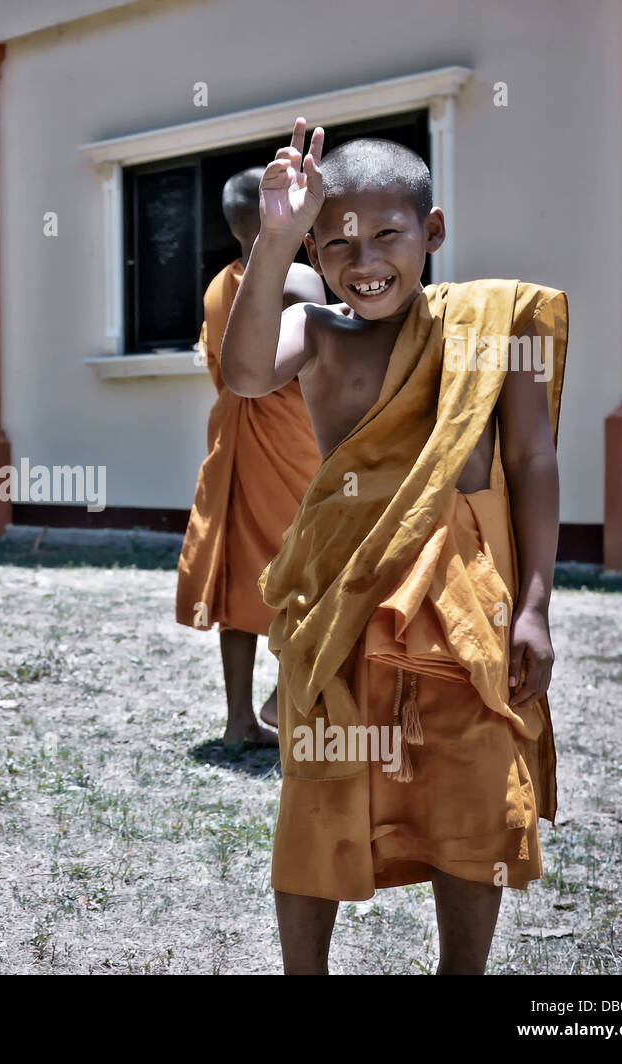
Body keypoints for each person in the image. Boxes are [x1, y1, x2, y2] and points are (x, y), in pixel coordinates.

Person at [220, 118, 567, 975]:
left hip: (463, 610)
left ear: (433, 233)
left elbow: (530, 459)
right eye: (334, 243)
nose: (362, 260)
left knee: (472, 787)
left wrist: (535, 608)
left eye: (387, 235)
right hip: (345, 607)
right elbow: (244, 372)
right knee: (322, 793)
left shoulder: (493, 327)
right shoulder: (321, 335)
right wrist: (275, 237)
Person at [176, 166, 325, 748]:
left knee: (242, 583)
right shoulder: (303, 280)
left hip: (236, 445)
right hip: (293, 446)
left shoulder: (218, 285)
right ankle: (277, 700)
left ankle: (240, 720)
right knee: (307, 575)